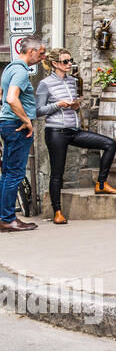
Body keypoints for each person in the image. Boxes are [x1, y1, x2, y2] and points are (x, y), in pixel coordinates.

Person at [36, 49, 116, 225]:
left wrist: (76, 106)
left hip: (73, 131)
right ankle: (57, 212)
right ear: (55, 64)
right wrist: (57, 105)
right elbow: (38, 111)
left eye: (70, 60)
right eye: (65, 62)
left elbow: (75, 107)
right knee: (57, 173)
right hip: (56, 132)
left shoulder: (72, 81)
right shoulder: (45, 84)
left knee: (109, 144)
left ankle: (101, 184)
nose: (69, 64)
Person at [1, 37, 47, 232]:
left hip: (7, 123)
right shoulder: (20, 70)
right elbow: (11, 98)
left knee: (7, 174)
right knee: (15, 173)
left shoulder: (10, 68)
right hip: (17, 126)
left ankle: (4, 216)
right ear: (32, 52)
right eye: (41, 53)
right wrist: (27, 121)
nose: (43, 57)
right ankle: (7, 219)